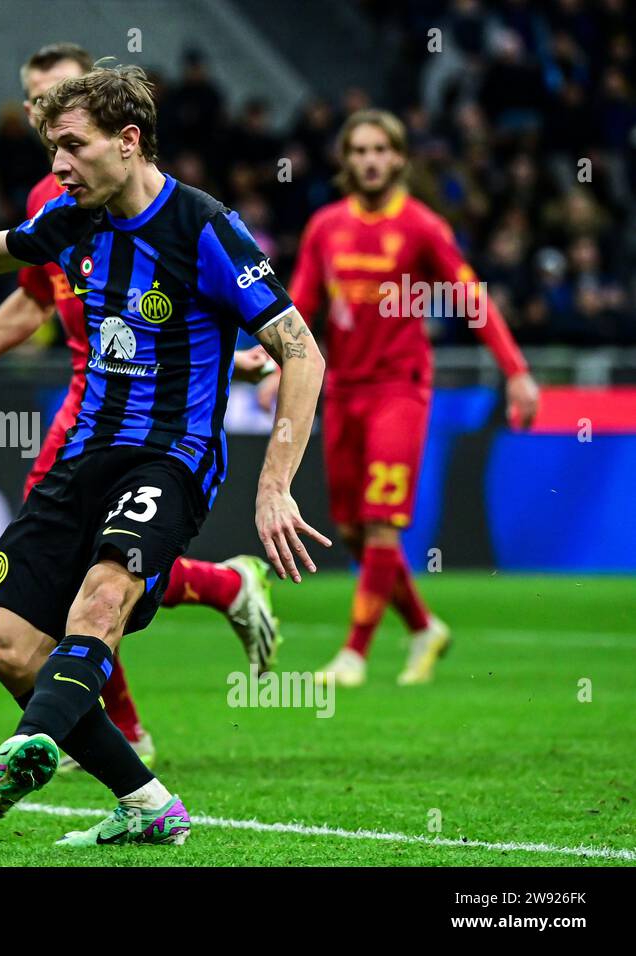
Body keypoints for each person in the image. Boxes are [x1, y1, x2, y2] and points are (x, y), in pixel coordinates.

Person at [0, 62, 327, 847]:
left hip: (168, 457)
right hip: (83, 454)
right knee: (9, 649)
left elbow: (300, 349)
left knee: (100, 603)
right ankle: (145, 803)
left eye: (70, 146)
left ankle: (32, 741)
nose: (57, 167)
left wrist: (274, 485)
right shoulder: (76, 218)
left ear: (129, 141)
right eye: (51, 149)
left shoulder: (205, 228)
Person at [0, 42, 282, 777]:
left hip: (154, 421)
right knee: (47, 594)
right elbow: (27, 296)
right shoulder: (58, 200)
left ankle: (123, 736)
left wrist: (227, 352)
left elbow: (214, 309)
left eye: (57, 104)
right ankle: (216, 594)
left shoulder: (165, 210)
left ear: (120, 132)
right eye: (32, 106)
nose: (43, 125)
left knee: (103, 579)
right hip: (88, 407)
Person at [279, 109, 539, 687]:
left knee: (381, 524)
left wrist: (516, 372)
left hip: (401, 390)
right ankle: (424, 627)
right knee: (351, 528)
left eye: (380, 150)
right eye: (359, 150)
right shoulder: (325, 227)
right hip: (342, 391)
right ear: (347, 161)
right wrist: (278, 363)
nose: (370, 160)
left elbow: (473, 299)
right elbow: (298, 305)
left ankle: (354, 653)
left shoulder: (422, 228)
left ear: (398, 158)